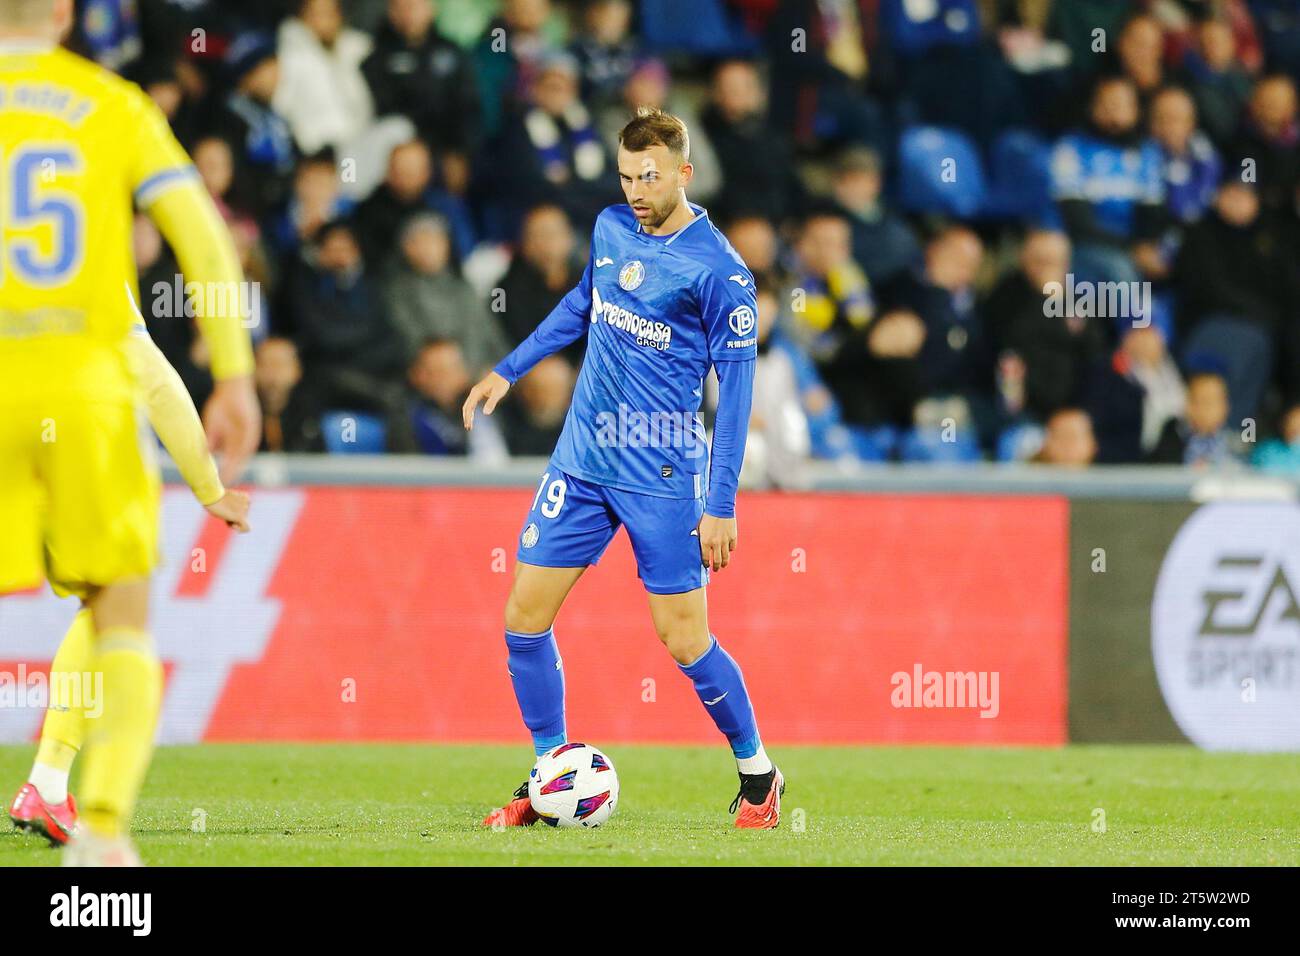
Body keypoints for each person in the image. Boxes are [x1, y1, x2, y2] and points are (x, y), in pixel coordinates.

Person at [462, 107, 783, 829]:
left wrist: (722, 501)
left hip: (662, 474)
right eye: (625, 175)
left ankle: (758, 774)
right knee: (523, 616)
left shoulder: (721, 274)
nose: (636, 189)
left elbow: (734, 399)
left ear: (683, 174)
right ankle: (549, 773)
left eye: (649, 176)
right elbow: (585, 303)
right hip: (581, 460)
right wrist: (509, 369)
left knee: (683, 638)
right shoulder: (610, 228)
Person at [0, 0, 260, 865]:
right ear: (69, 14)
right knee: (117, 609)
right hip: (77, 391)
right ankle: (101, 828)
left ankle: (49, 780)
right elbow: (206, 247)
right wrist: (233, 379)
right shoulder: (112, 107)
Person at [9, 298, 252, 846]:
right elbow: (154, 378)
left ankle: (48, 785)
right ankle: (63, 795)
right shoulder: (81, 245)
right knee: (111, 600)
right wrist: (209, 487)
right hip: (69, 441)